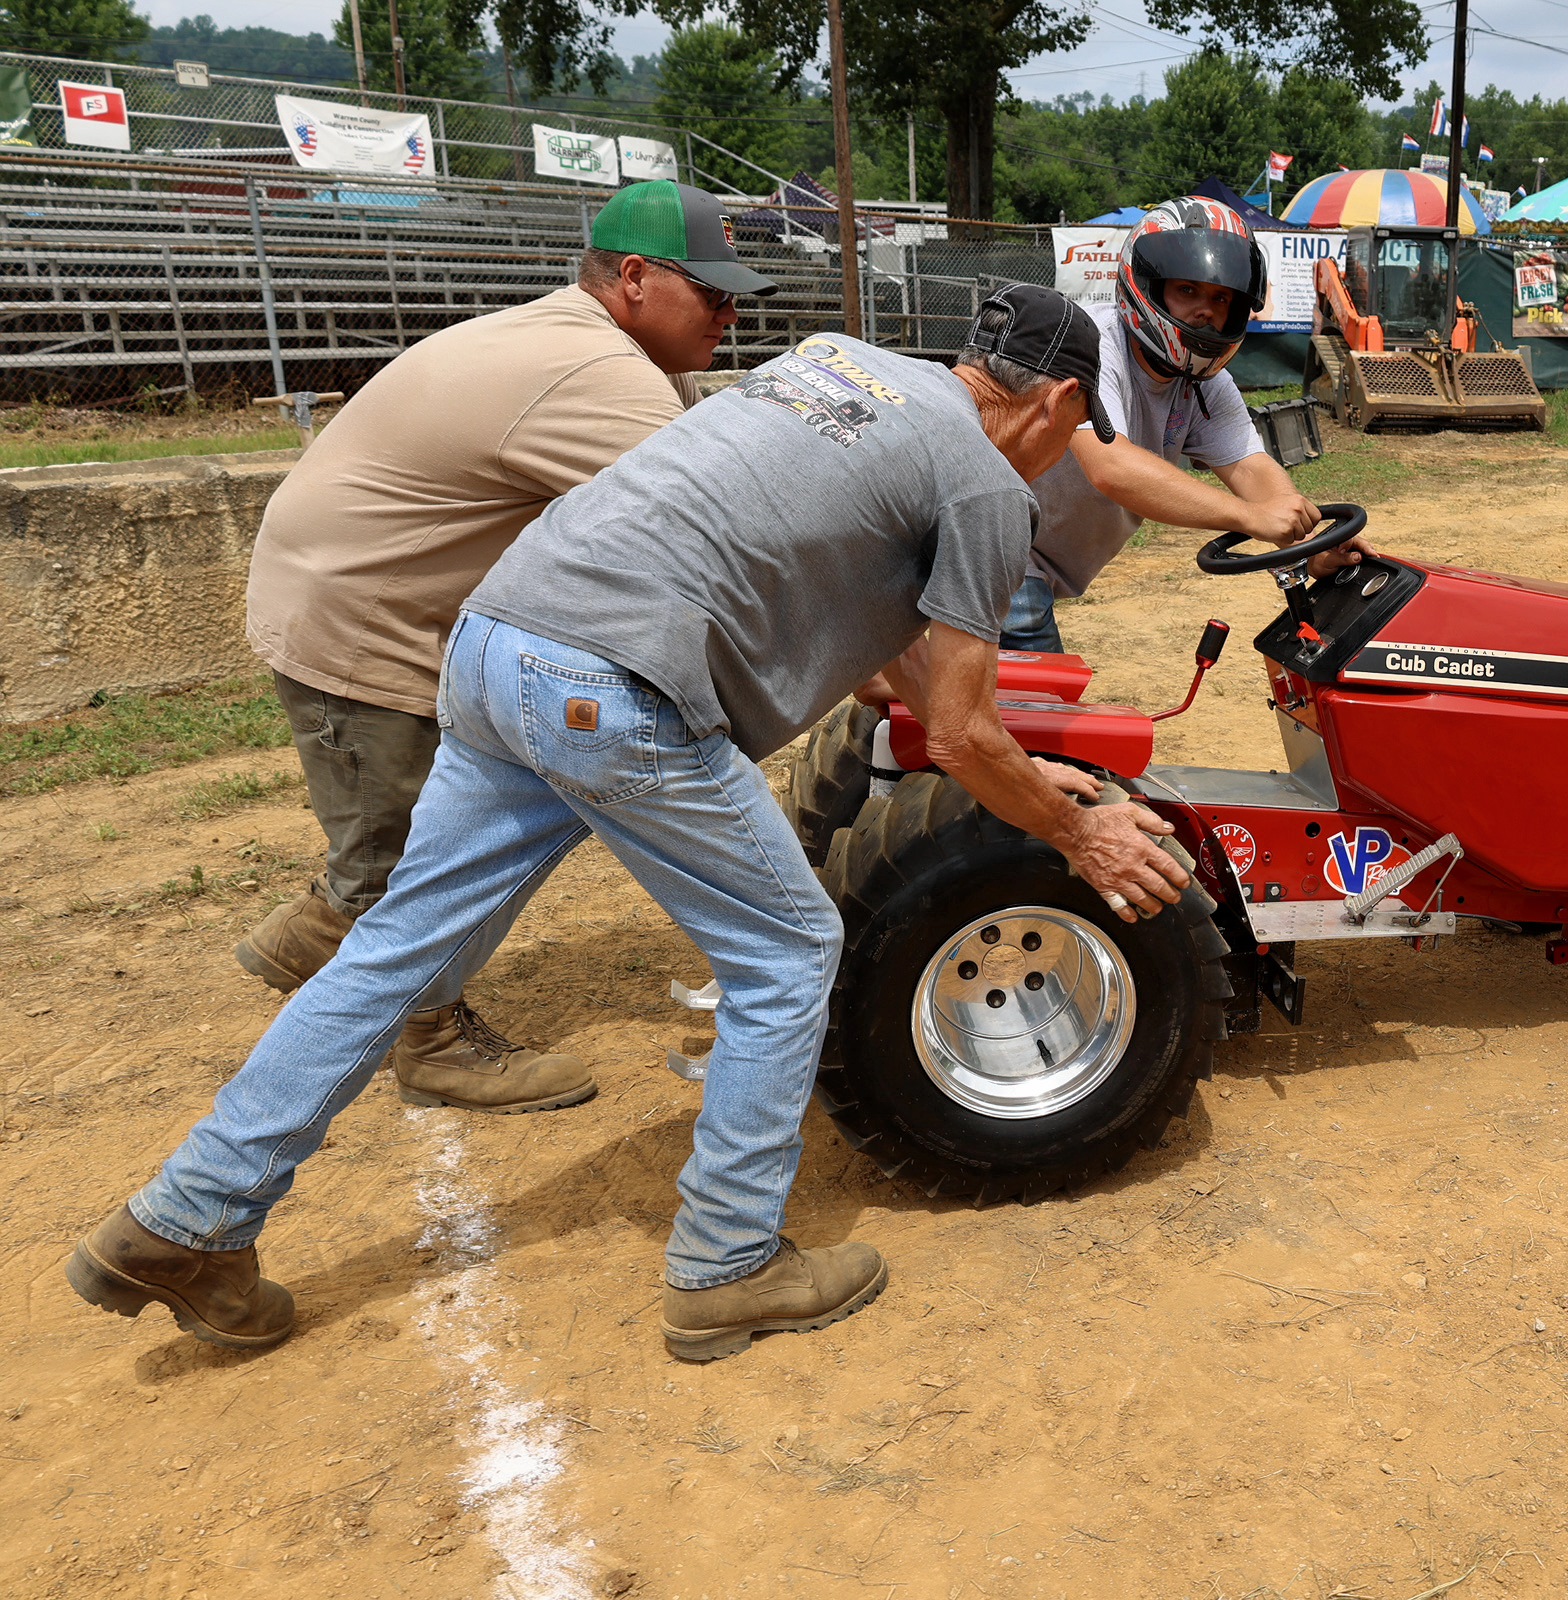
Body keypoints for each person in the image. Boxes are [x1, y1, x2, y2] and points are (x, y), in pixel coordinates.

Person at [65, 285, 1192, 1365]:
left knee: (393, 950)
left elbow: (878, 635)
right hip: (610, 685)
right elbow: (956, 730)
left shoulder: (836, 364)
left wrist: (974, 734)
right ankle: (728, 1262)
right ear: (1051, 404)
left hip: (499, 638)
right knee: (788, 947)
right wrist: (1077, 829)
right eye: (1076, 428)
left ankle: (188, 1219)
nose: (1067, 454)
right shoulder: (988, 484)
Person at [234, 180, 774, 1117]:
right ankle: (430, 1044)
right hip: (365, 615)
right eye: (714, 292)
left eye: (738, 295)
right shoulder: (597, 373)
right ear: (636, 279)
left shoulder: (617, 353)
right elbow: (722, 535)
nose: (732, 313)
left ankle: (312, 934)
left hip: (384, 589)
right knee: (415, 859)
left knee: (422, 831)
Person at [1004, 197, 1354, 652]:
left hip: (1034, 562)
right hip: (996, 547)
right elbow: (1112, 467)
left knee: (911, 691)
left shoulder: (1207, 385)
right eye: (1187, 291)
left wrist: (1312, 544)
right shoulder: (1090, 344)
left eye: (1220, 298)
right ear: (1147, 286)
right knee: (1035, 705)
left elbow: (1250, 468)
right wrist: (1250, 518)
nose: (1205, 311)